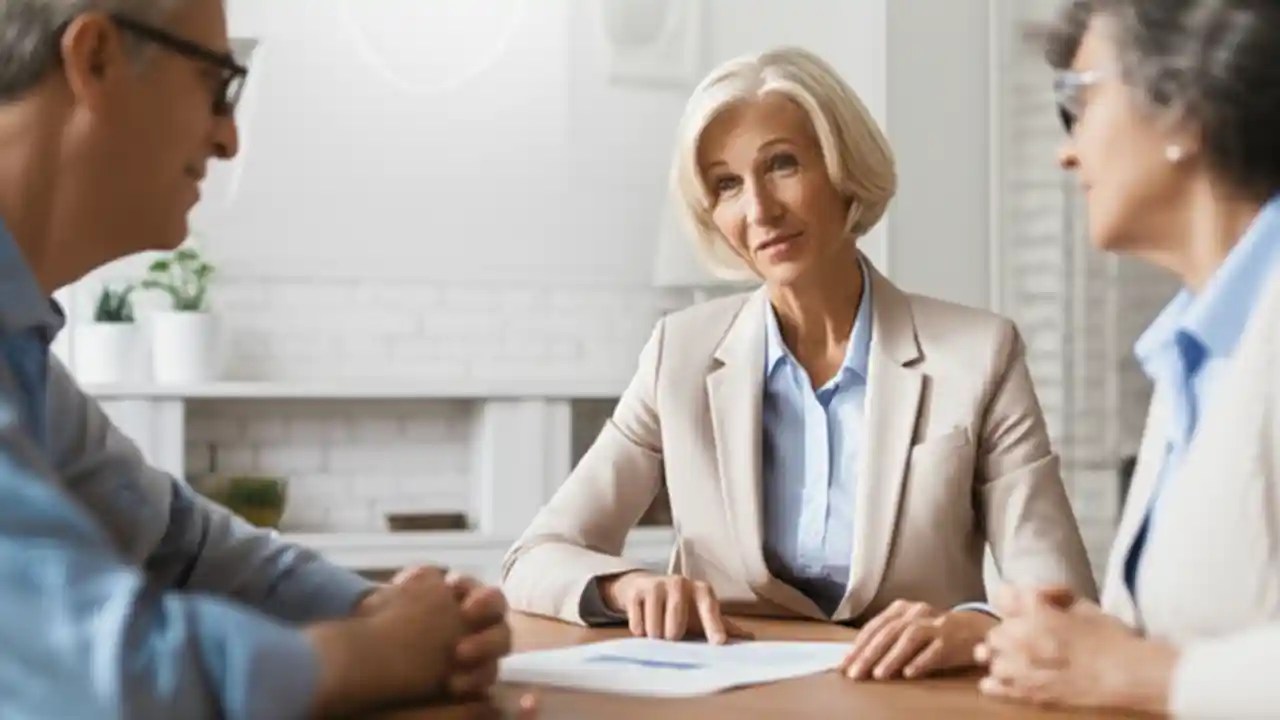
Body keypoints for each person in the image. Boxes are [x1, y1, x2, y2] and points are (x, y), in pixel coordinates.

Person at [502, 46, 1096, 682]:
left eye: (781, 165)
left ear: (844, 172)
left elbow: (1062, 599)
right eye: (726, 184)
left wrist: (975, 624)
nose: (759, 210)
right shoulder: (680, 353)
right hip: (726, 698)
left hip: (909, 698)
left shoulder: (979, 354)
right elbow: (536, 556)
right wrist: (626, 586)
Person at [0, 1, 510, 717]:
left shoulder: (21, 353)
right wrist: (379, 651)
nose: (229, 138)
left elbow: (182, 544)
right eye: (218, 83)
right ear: (96, 60)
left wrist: (388, 610)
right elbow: (102, 679)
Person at [975, 1, 1280, 716]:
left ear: (1182, 111)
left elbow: (1161, 671)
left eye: (1081, 99)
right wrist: (1063, 639)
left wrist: (1141, 675)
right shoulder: (1192, 349)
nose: (1066, 150)